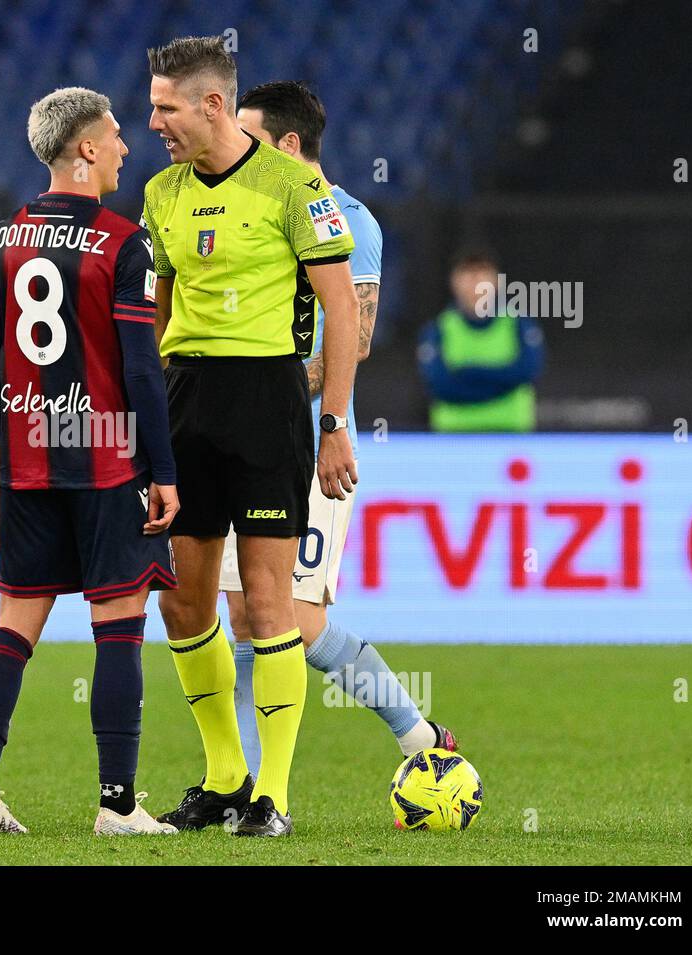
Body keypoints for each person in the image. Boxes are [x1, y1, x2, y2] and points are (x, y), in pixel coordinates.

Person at [142, 38, 359, 837]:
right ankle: (225, 774)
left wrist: (333, 422)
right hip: (185, 397)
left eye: (165, 106)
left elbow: (343, 308)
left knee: (267, 601)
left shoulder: (293, 185)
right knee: (182, 598)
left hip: (268, 396)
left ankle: (274, 793)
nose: (154, 121)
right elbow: (159, 307)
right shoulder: (160, 192)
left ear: (210, 104)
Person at [0, 87, 180, 836]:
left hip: (30, 459)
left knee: (13, 624)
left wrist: (20, 423)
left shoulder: (0, 240)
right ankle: (118, 805)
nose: (123, 146)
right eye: (114, 135)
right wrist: (165, 470)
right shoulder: (123, 242)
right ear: (84, 148)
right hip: (109, 460)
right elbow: (143, 369)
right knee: (118, 624)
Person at [225, 81, 457, 770]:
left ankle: (417, 731)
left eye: (252, 140)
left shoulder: (350, 221)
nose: (239, 153)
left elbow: (349, 345)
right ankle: (239, 780)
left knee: (295, 621)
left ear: (289, 146)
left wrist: (258, 394)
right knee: (238, 616)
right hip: (240, 443)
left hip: (312, 444)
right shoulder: (250, 217)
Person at [418, 250, 545, 432]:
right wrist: (501, 382)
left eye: (482, 272)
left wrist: (467, 374)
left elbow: (527, 371)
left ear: (496, 280)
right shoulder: (438, 329)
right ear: (454, 281)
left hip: (511, 436)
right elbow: (440, 385)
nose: (475, 281)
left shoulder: (519, 324)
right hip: (453, 440)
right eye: (468, 274)